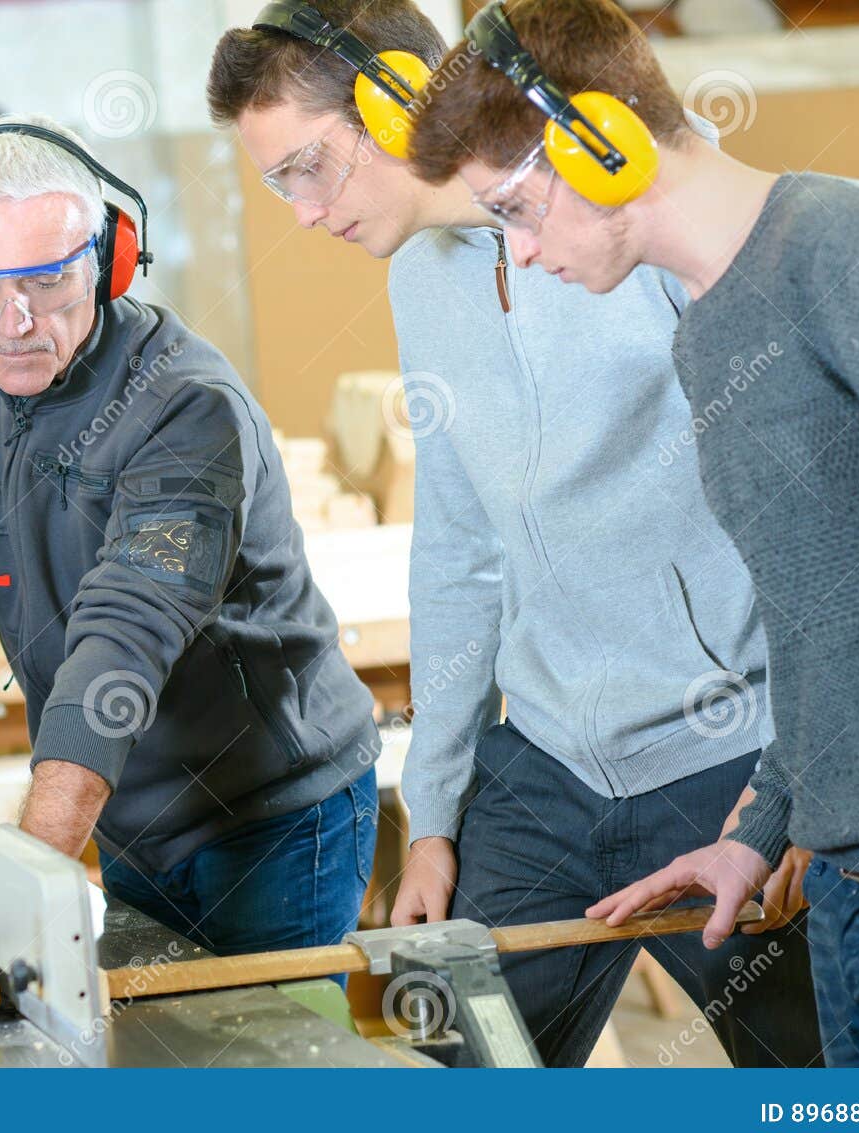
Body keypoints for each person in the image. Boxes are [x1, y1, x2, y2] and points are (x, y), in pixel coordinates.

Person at [408, 0, 859, 1066]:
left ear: (601, 145)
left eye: (518, 210)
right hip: (851, 885)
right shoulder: (708, 321)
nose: (519, 257)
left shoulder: (844, 245)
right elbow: (813, 624)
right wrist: (755, 832)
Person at [208, 1, 820, 1066]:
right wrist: (436, 814)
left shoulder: (636, 216)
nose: (301, 213)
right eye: (277, 185)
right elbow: (456, 549)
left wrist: (807, 780)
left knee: (827, 1082)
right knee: (462, 1071)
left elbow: (812, 521)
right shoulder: (419, 279)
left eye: (309, 167)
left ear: (395, 99)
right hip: (542, 770)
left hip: (725, 752)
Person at [0, 114, 380, 957]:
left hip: (271, 813)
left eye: (46, 281)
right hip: (122, 803)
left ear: (110, 262)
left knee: (278, 1064)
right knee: (162, 1058)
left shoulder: (185, 402)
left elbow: (125, 636)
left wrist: (23, 878)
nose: (14, 321)